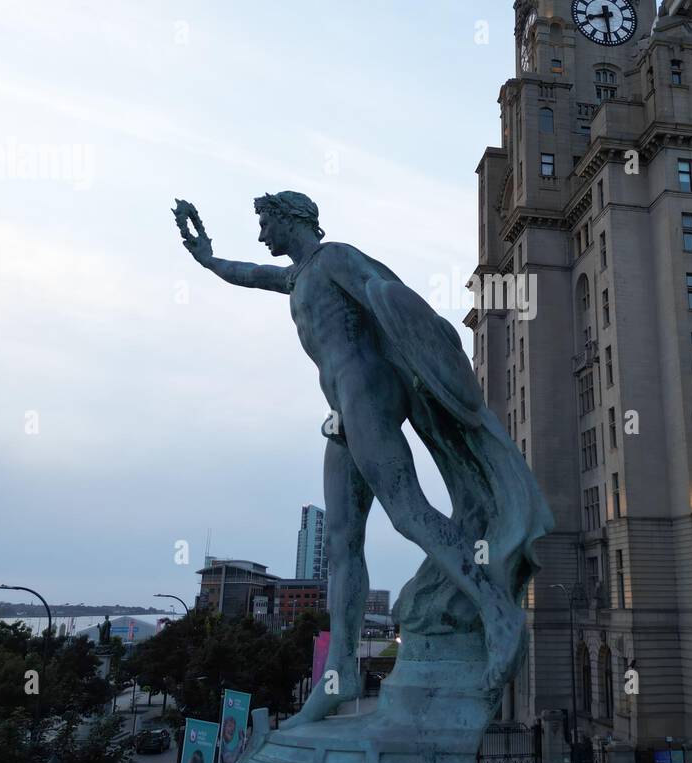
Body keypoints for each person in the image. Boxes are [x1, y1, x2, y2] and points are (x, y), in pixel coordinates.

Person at [176, 192, 552, 727]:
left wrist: (429, 369)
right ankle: (341, 675)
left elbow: (389, 297)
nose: (262, 236)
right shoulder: (299, 275)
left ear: (292, 219)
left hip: (366, 391)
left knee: (406, 510)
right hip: (341, 409)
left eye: (265, 223)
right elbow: (251, 272)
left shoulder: (334, 258)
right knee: (342, 540)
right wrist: (207, 257)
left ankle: (497, 612)